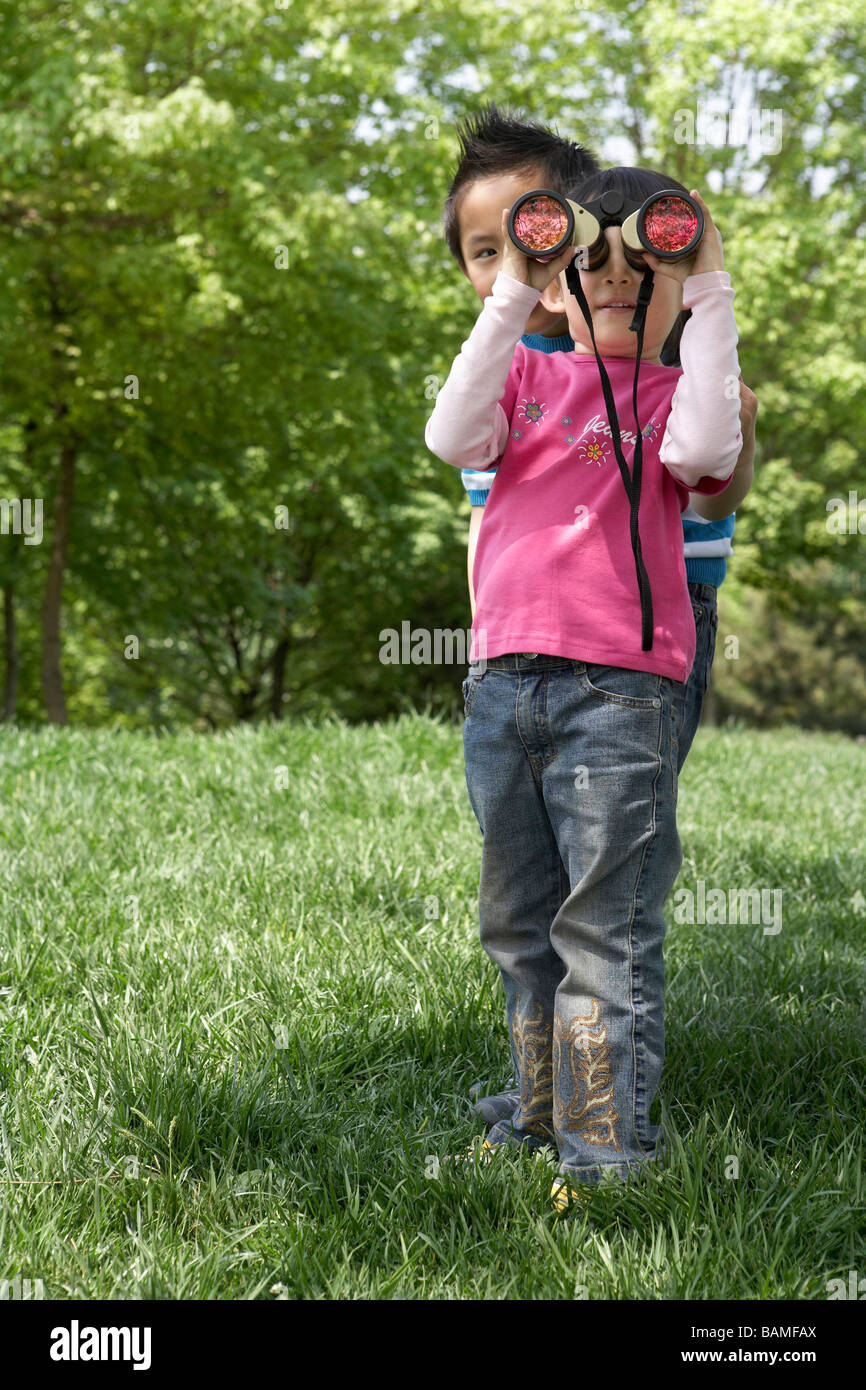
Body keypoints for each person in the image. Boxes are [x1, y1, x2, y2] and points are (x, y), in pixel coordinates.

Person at [426, 163, 746, 1207]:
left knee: (599, 928)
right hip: (502, 685)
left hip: (622, 697)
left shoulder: (677, 397)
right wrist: (516, 285)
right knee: (517, 920)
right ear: (555, 277)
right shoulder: (522, 377)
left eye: (641, 266)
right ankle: (536, 1107)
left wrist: (707, 290)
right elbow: (448, 434)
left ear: (675, 272)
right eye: (586, 262)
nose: (613, 282)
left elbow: (704, 452)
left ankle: (602, 1149)